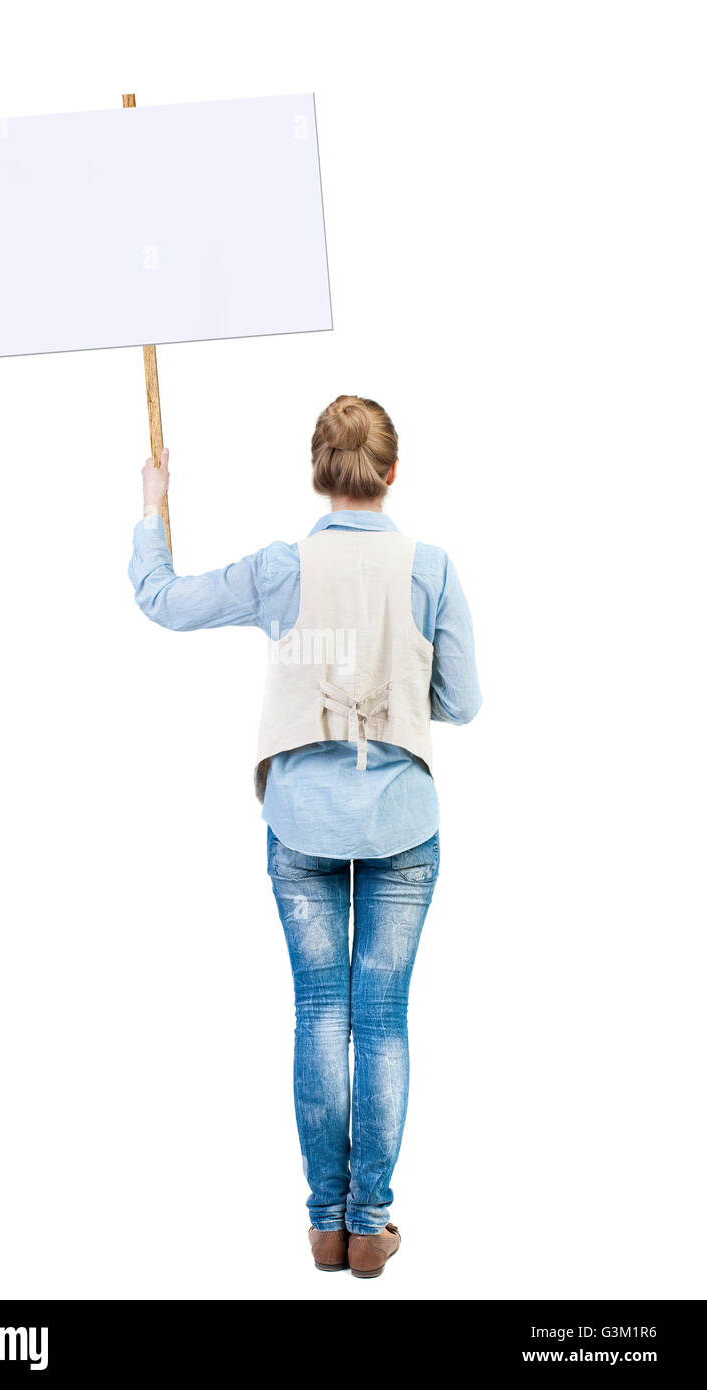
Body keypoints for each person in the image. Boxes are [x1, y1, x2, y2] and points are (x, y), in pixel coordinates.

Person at [128, 394, 482, 1278]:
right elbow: (464, 703)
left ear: (317, 474)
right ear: (392, 473)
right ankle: (371, 1222)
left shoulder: (281, 569)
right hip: (402, 820)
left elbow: (164, 601)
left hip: (302, 822)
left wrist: (153, 503)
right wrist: (404, 697)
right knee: (384, 1019)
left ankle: (326, 1222)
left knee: (321, 1012)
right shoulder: (431, 567)